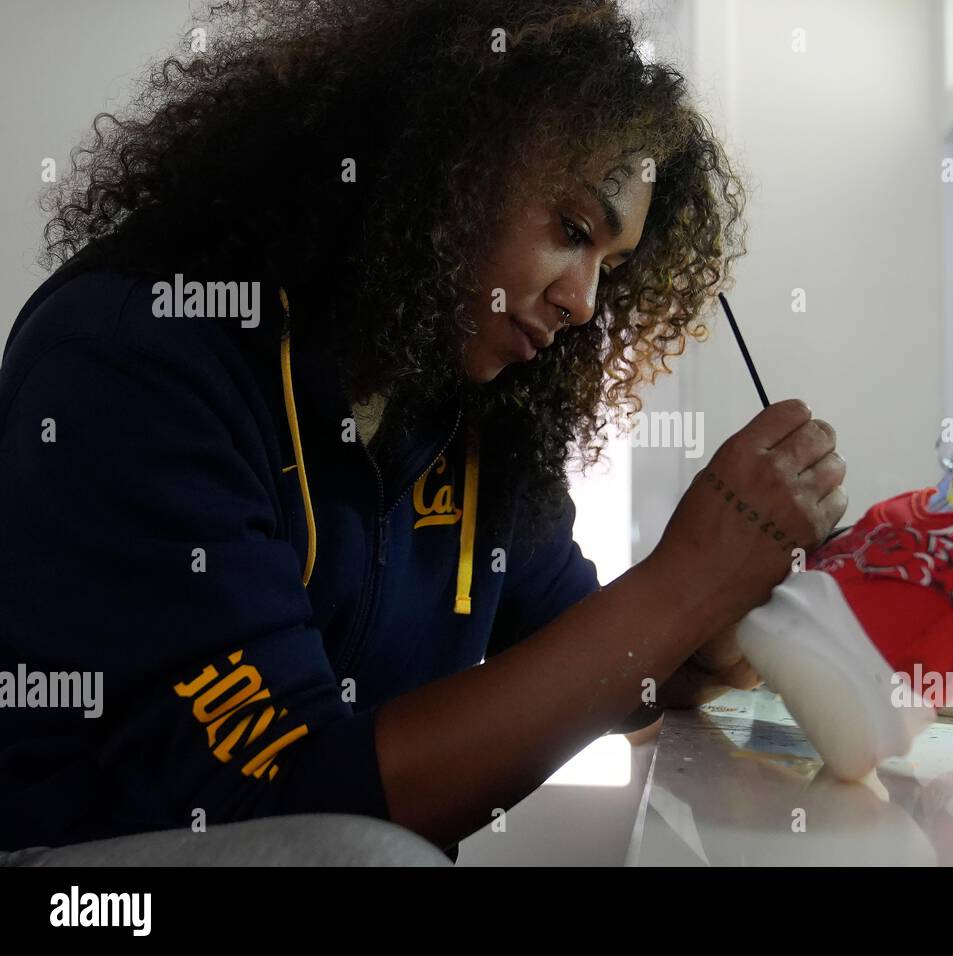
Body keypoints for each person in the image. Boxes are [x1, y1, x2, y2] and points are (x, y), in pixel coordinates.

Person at [0, 0, 847, 864]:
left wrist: (712, 632)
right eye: (570, 230)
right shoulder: (138, 351)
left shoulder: (467, 405)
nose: (583, 301)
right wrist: (687, 579)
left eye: (611, 268)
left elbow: (595, 661)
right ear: (448, 160)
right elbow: (301, 793)